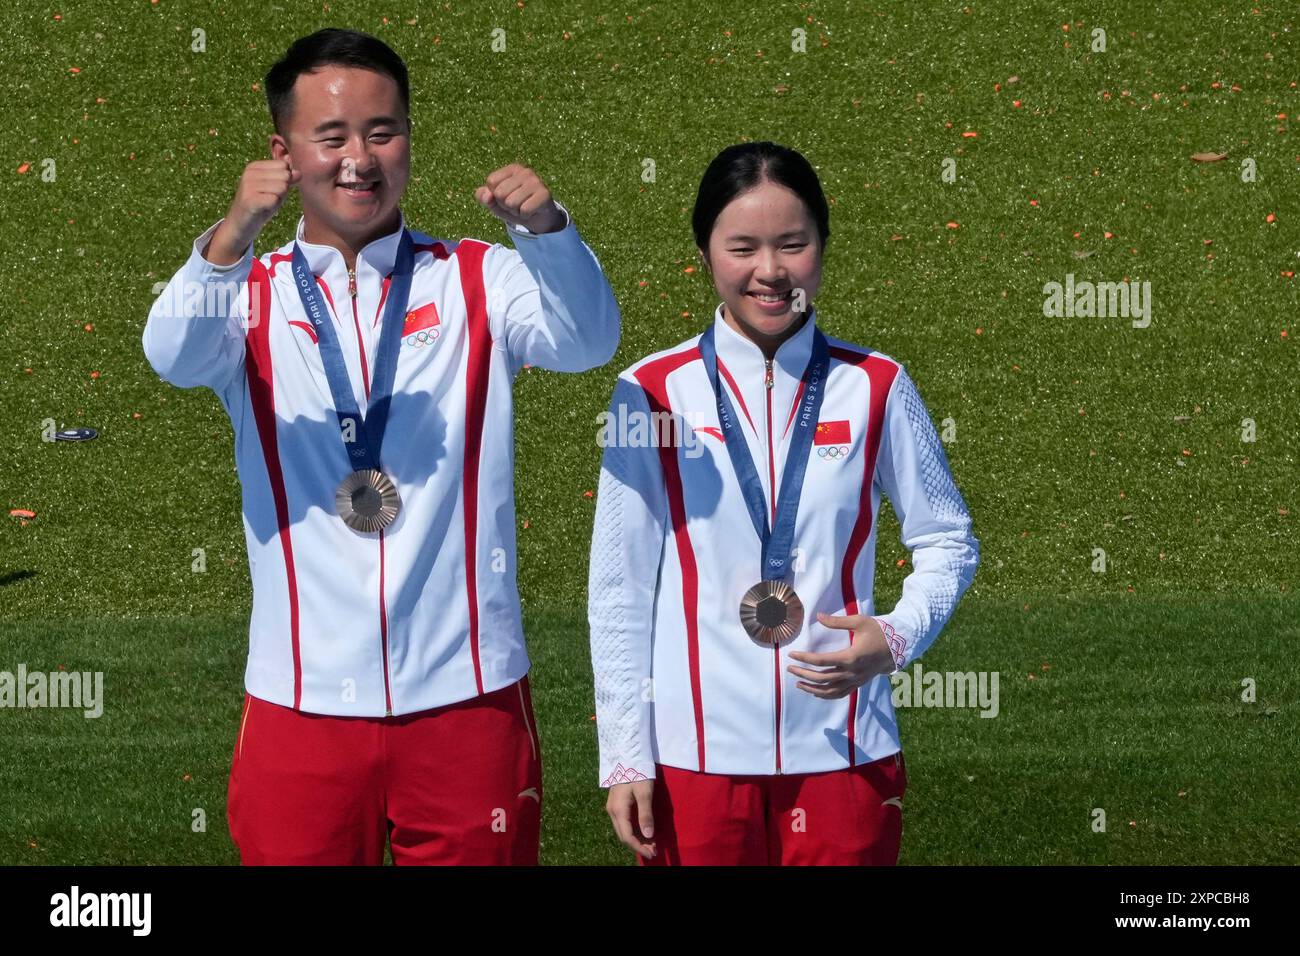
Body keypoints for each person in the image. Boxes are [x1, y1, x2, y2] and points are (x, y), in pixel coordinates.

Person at [142, 28, 620, 865]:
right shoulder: (244, 293)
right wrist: (230, 234)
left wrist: (545, 230)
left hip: (468, 699)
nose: (359, 158)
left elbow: (587, 339)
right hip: (301, 704)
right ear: (283, 152)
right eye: (331, 137)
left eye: (383, 131)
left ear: (408, 137)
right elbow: (170, 356)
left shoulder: (477, 277)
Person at [587, 141, 979, 866]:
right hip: (692, 763)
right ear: (703, 255)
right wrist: (625, 756)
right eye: (742, 247)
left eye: (793, 245)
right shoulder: (650, 391)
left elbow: (948, 540)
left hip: (844, 753)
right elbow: (619, 588)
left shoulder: (878, 385)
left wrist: (896, 637)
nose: (770, 272)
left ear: (823, 249)